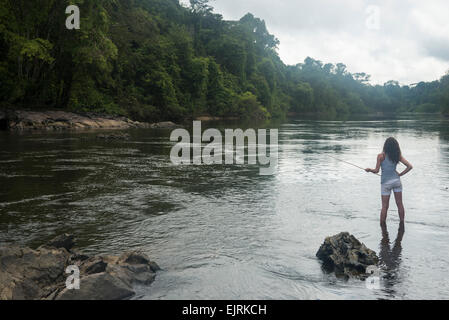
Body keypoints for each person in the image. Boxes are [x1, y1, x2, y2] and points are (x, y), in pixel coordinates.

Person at [365, 137, 413, 223]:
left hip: (385, 183)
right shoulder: (397, 155)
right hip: (396, 181)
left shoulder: (380, 156)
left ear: (385, 146)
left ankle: (382, 225)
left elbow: (376, 171)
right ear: (395, 146)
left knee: (384, 207)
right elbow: (409, 166)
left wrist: (369, 170)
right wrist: (400, 174)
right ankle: (402, 223)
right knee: (400, 204)